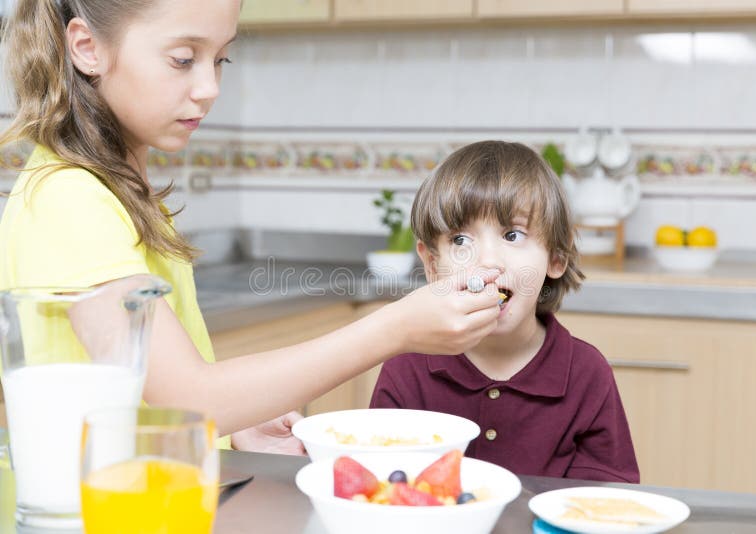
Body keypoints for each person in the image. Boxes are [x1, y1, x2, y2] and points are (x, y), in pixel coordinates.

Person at [0, 0, 503, 452]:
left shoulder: (111, 191)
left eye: (220, 59)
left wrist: (231, 425)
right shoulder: (67, 198)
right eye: (182, 59)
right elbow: (186, 395)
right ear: (87, 48)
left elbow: (153, 399)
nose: (209, 88)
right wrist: (394, 328)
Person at [370, 141, 640, 482]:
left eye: (512, 235)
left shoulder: (586, 374)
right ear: (432, 263)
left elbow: (604, 501)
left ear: (557, 257)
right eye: (460, 240)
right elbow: (381, 487)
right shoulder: (406, 368)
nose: (488, 261)